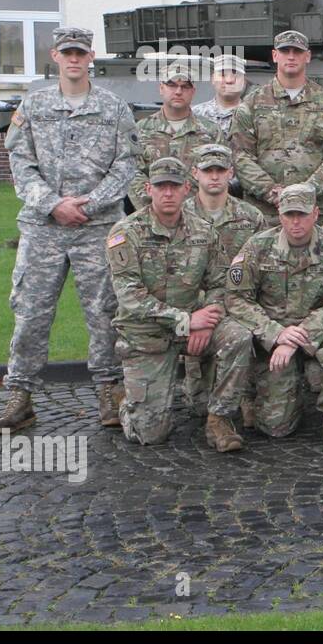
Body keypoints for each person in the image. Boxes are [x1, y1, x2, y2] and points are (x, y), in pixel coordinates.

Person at [0, 27, 136, 436]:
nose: (74, 59)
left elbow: (126, 164)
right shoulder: (34, 106)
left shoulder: (113, 107)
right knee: (31, 313)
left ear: (91, 57)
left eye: (80, 53)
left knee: (105, 312)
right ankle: (20, 397)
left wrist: (90, 203)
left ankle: (108, 390)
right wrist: (54, 204)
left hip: (97, 226)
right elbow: (20, 163)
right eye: (67, 52)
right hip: (43, 228)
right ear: (55, 55)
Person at [106, 157, 251, 450]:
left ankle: (219, 418)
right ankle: (126, 402)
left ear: (187, 188)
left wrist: (207, 320)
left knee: (238, 336)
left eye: (174, 186)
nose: (168, 193)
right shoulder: (125, 233)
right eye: (161, 187)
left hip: (193, 326)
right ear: (149, 189)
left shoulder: (203, 231)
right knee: (150, 434)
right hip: (147, 334)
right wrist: (185, 320)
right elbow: (130, 296)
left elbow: (220, 283)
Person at [226, 183, 323, 447]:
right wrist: (275, 333)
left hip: (319, 332)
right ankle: (255, 393)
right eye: (289, 214)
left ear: (315, 213)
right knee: (276, 427)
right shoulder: (258, 246)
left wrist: (298, 336)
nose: (296, 221)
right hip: (274, 336)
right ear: (280, 214)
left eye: (302, 214)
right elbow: (237, 298)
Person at [180, 143, 266, 424]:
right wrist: (201, 315)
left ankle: (246, 393)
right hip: (192, 311)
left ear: (231, 173)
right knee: (196, 407)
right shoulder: (179, 216)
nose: (214, 176)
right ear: (195, 173)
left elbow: (264, 271)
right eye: (208, 171)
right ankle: (197, 376)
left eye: (220, 170)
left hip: (241, 305)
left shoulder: (251, 217)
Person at [230, 29, 323, 219]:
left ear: (308, 56)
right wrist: (271, 191)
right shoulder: (251, 104)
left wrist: (305, 192)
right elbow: (241, 157)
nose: (291, 56)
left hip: (315, 211)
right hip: (264, 213)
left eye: (297, 51)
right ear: (275, 55)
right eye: (285, 51)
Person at [128, 62, 221, 210]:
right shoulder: (141, 129)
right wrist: (153, 205)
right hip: (154, 213)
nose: (178, 91)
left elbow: (219, 174)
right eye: (172, 85)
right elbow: (132, 172)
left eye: (185, 86)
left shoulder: (210, 131)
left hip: (200, 215)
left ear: (193, 91)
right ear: (161, 88)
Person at [193, 53, 248, 137]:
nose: (229, 80)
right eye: (223, 75)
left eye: (236, 75)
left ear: (244, 81)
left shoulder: (255, 116)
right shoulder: (195, 114)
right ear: (213, 79)